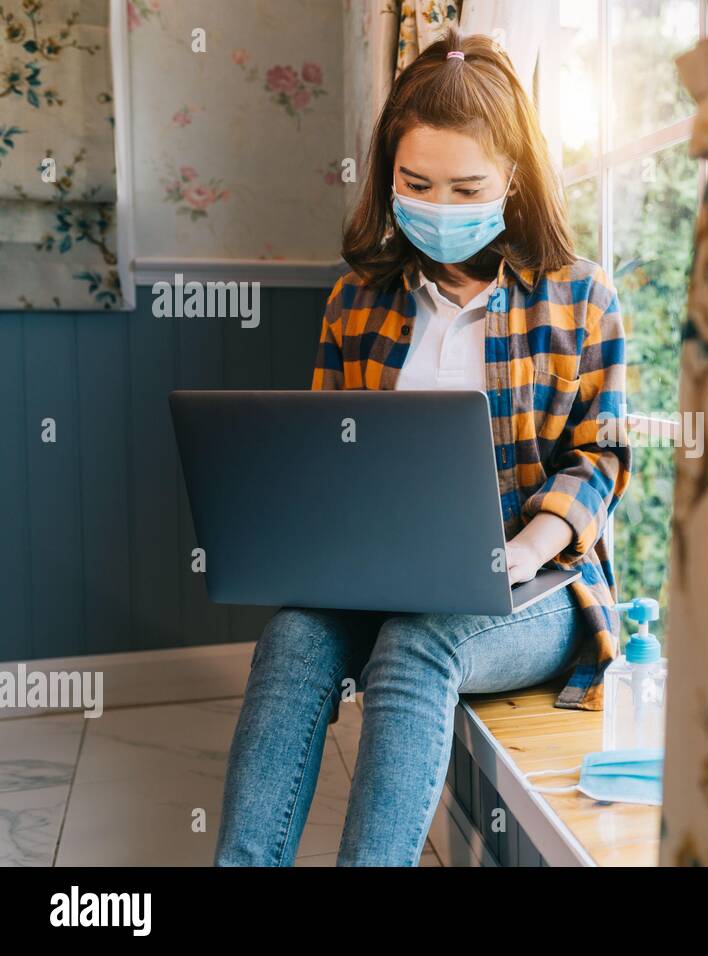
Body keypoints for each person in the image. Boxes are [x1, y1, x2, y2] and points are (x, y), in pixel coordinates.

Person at [213, 26, 630, 866]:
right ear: (388, 180)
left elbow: (602, 455)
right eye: (418, 183)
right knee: (292, 637)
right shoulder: (356, 300)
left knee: (416, 643)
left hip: (542, 583)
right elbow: (324, 459)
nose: (440, 205)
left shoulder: (581, 295)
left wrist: (525, 548)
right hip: (381, 572)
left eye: (467, 185)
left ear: (513, 177)